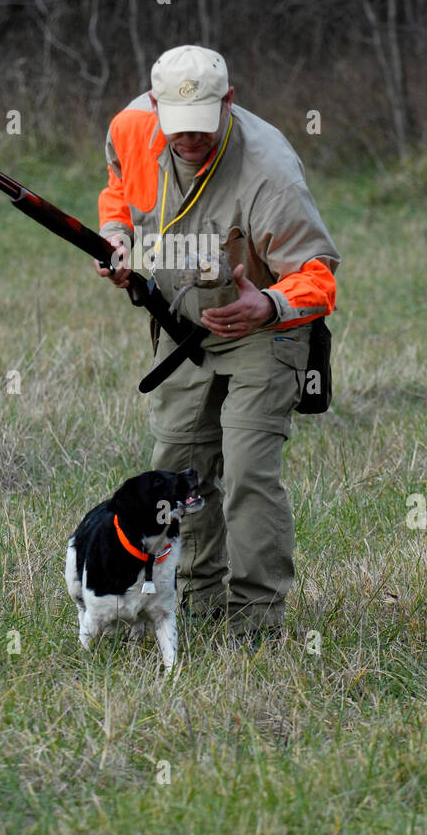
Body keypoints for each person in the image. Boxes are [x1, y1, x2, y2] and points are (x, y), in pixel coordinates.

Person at [94, 45, 340, 637]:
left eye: (202, 128)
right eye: (177, 130)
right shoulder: (131, 129)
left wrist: (271, 302)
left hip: (262, 327)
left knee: (250, 470)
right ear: (153, 108)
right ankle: (198, 602)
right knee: (177, 469)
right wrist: (117, 238)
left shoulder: (269, 171)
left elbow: (319, 272)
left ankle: (256, 619)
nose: (189, 141)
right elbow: (119, 192)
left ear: (228, 102)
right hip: (181, 327)